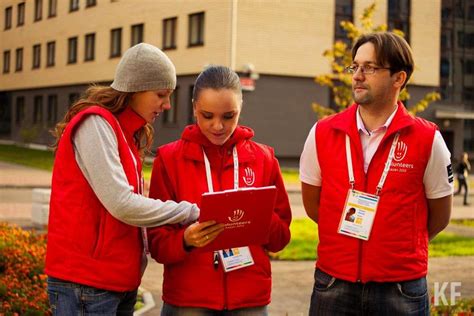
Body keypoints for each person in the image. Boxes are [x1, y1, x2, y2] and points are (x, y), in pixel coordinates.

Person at [299, 32, 453, 315]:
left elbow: (439, 215)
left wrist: (392, 246)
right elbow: (313, 205)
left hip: (400, 287)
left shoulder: (427, 138)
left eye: (370, 67)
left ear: (399, 78)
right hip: (333, 283)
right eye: (355, 66)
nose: (357, 75)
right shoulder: (322, 132)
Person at [45, 43, 200, 315]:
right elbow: (121, 203)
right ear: (136, 89)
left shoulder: (125, 133)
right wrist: (190, 211)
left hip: (115, 282)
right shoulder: (95, 125)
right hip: (87, 284)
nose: (167, 105)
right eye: (161, 94)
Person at [147, 65, 292, 315]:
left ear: (240, 109)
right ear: (194, 108)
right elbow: (156, 242)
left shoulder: (264, 159)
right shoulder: (169, 159)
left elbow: (281, 239)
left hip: (249, 299)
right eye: (207, 115)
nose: (218, 126)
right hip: (189, 299)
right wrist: (185, 239)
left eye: (228, 116)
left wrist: (258, 215)